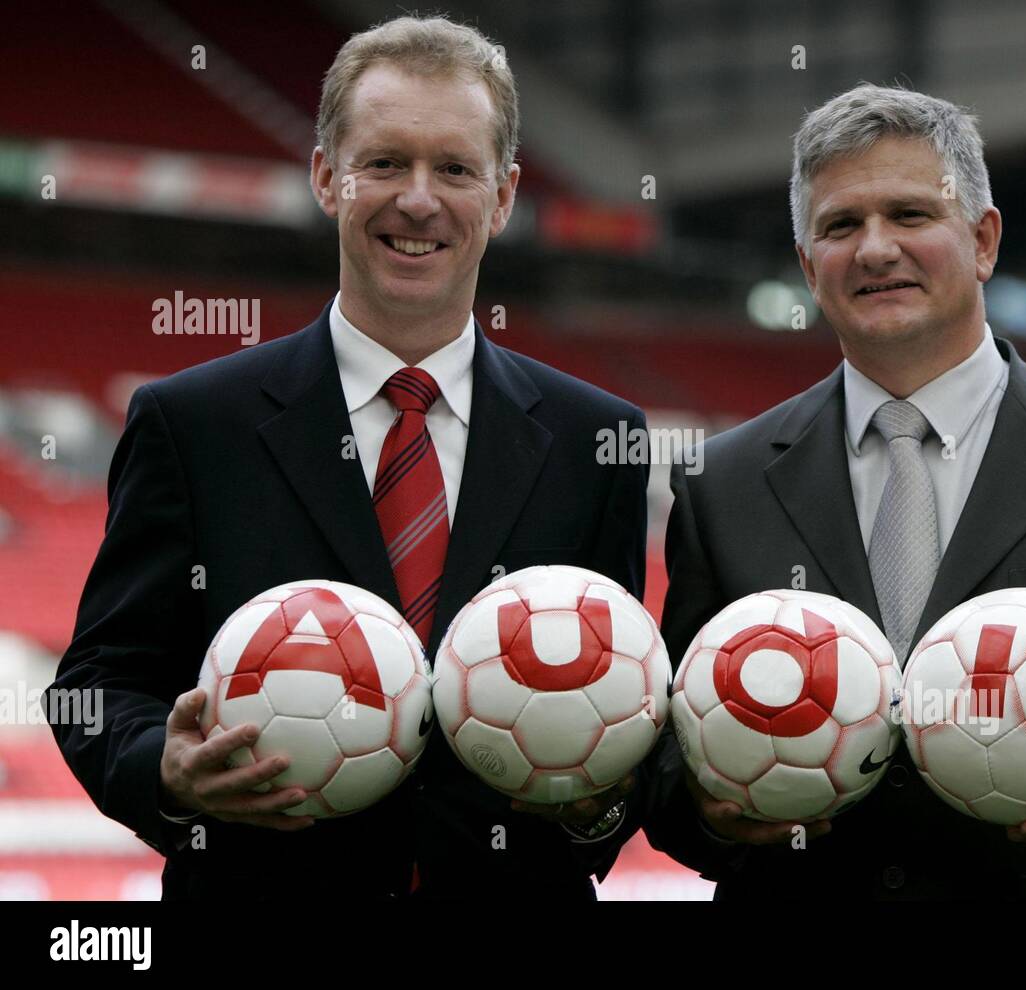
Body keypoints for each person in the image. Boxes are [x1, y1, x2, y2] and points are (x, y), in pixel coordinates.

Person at [48, 15, 648, 902]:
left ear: (505, 194)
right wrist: (163, 773)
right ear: (328, 176)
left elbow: (632, 703)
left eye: (454, 168)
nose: (418, 200)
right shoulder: (192, 422)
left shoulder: (597, 438)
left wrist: (600, 810)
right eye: (385, 163)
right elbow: (97, 686)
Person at [643, 83, 1026, 899]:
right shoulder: (719, 479)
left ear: (982, 240)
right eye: (840, 225)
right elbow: (667, 748)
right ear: (807, 265)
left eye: (909, 215)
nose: (874, 250)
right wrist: (704, 808)